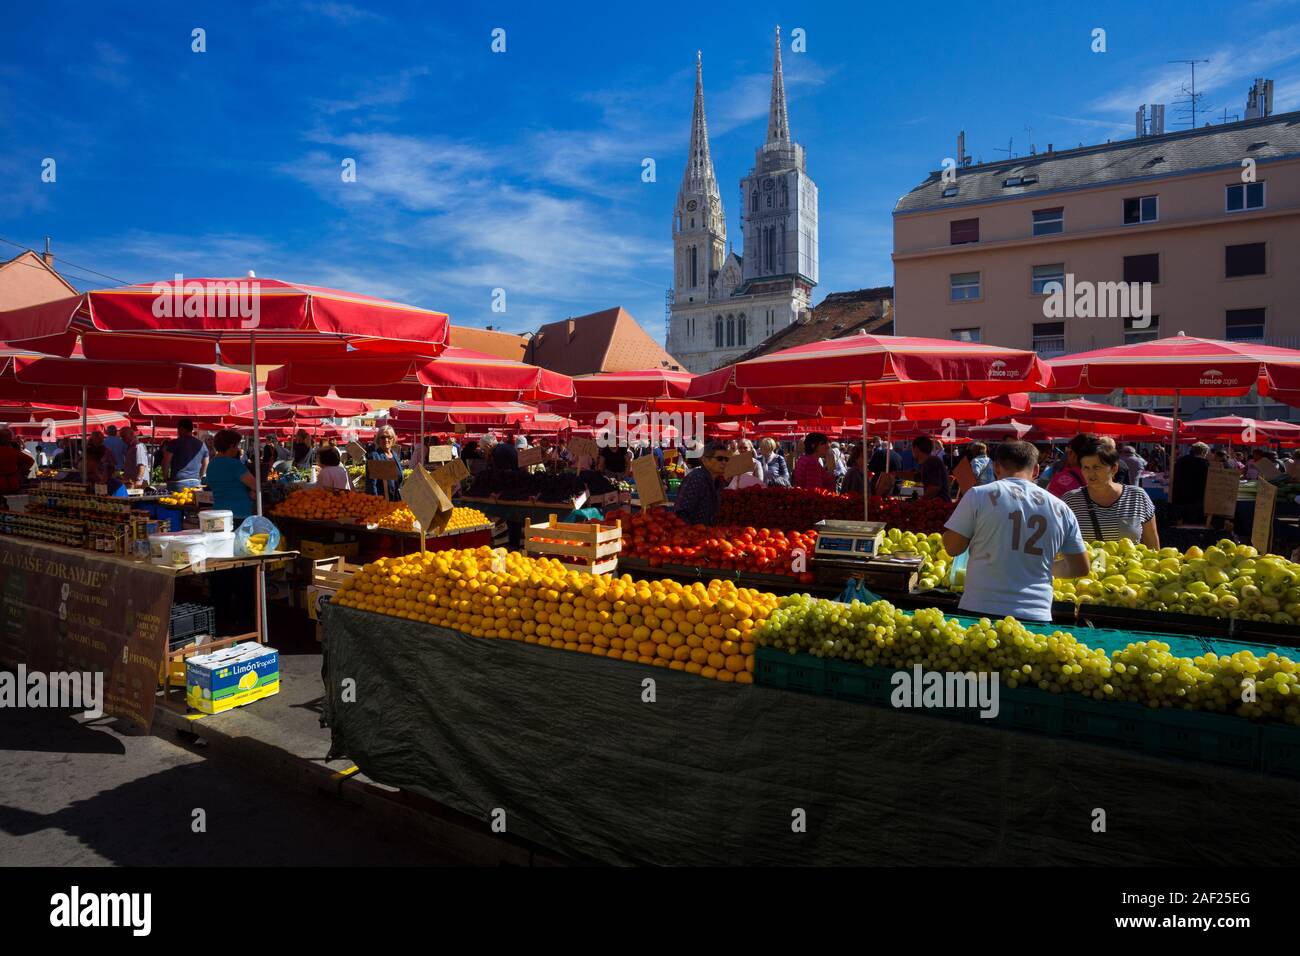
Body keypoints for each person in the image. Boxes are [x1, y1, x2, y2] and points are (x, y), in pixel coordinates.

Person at [942, 440, 1091, 623]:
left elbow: (952, 548)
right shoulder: (1061, 508)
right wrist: (1039, 565)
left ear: (996, 468)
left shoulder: (978, 495)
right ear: (1036, 470)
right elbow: (1080, 567)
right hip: (1036, 612)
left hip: (980, 607)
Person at [1063, 438, 1159, 547]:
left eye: (1096, 467)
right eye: (1086, 468)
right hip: (1087, 565)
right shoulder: (1070, 500)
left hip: (1128, 563)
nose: (1090, 474)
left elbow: (1153, 545)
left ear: (1114, 468)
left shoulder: (1137, 496)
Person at [203, 429, 256, 519]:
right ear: (231, 446)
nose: (238, 449)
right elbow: (255, 485)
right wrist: (252, 492)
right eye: (237, 445)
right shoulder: (234, 464)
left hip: (218, 513)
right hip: (239, 513)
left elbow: (210, 484)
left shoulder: (211, 464)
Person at [674, 440, 728, 525]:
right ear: (705, 460)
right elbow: (682, 512)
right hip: (694, 534)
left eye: (726, 459)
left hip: (710, 534)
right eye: (719, 459)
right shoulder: (696, 479)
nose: (724, 462)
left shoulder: (719, 481)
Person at [162, 418, 209, 491]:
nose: (178, 432)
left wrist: (165, 477)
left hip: (178, 482)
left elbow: (166, 462)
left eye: (178, 429)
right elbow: (206, 463)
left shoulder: (174, 443)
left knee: (176, 502)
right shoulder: (202, 445)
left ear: (181, 429)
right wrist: (200, 476)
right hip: (195, 483)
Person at [1170, 442, 1211, 524]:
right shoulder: (1205, 464)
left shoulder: (1181, 461)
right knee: (1193, 523)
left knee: (1181, 522)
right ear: (1203, 452)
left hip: (1180, 495)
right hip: (1197, 497)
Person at [899, 436, 951, 500]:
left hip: (940, 504)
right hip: (935, 504)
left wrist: (921, 501)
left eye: (912, 449)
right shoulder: (926, 462)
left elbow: (935, 487)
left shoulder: (932, 462)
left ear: (916, 449)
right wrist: (897, 474)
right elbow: (917, 477)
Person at [365, 425, 404, 500]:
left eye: (389, 437)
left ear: (393, 439)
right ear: (378, 440)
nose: (386, 440)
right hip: (383, 504)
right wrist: (377, 503)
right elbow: (372, 486)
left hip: (397, 501)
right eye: (383, 437)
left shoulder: (395, 455)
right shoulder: (375, 457)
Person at [1047, 433, 1091, 498]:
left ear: (1073, 454)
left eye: (1069, 451)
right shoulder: (1103, 477)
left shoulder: (1060, 479)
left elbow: (1051, 505)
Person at [0, 428, 35, 494]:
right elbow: (30, 461)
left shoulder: (12, 451)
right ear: (9, 439)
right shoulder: (13, 452)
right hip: (12, 483)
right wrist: (19, 472)